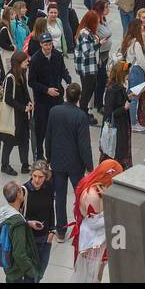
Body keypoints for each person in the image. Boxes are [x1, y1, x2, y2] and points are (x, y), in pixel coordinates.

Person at [47, 82, 94, 231]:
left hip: (57, 162)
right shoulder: (81, 116)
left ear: (66, 95)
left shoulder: (54, 111)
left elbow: (48, 136)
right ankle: (82, 226)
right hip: (75, 164)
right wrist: (89, 167)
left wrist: (48, 157)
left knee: (59, 197)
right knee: (81, 196)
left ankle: (61, 229)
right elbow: (84, 145)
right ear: (79, 97)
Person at [71, 159, 122, 283]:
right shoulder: (92, 195)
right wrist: (112, 208)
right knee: (92, 275)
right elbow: (94, 223)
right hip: (92, 240)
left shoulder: (93, 184)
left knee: (95, 271)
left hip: (96, 237)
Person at [0, 181, 42, 283]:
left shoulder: (2, 212)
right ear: (18, 195)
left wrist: (26, 223)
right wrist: (32, 271)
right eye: (21, 190)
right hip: (18, 272)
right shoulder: (18, 223)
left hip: (7, 264)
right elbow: (19, 254)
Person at [101, 60, 134, 172]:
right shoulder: (112, 90)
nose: (128, 75)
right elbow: (109, 113)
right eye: (126, 73)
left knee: (121, 149)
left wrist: (128, 97)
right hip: (116, 128)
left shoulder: (119, 86)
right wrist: (124, 108)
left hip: (122, 125)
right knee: (117, 152)